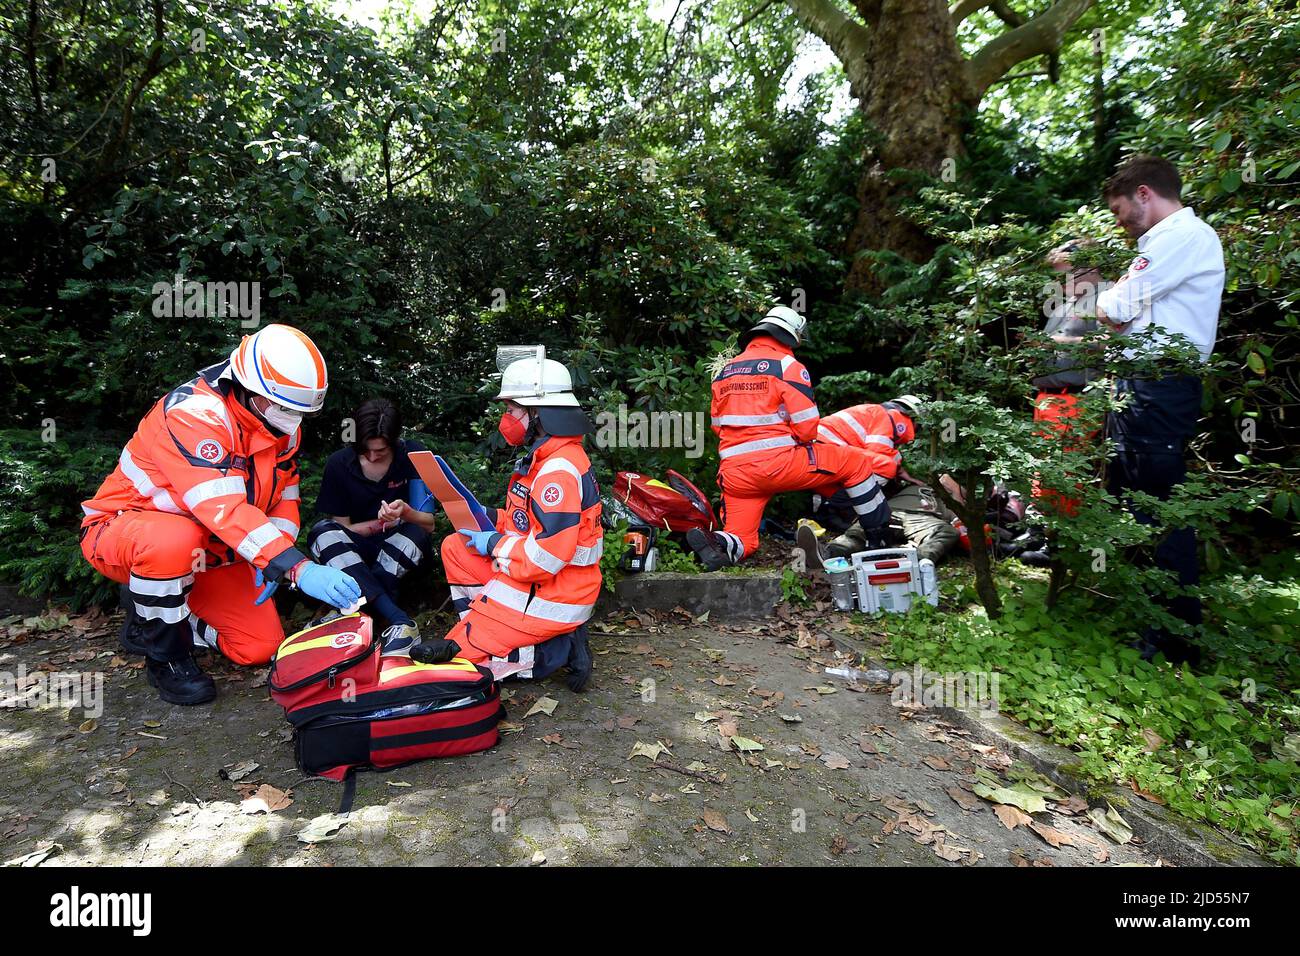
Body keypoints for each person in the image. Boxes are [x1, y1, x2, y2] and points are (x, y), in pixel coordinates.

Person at [80, 324, 362, 705]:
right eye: (286, 407)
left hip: (212, 551)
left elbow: (284, 495)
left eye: (299, 412)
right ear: (250, 390)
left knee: (259, 647)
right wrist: (298, 568)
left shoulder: (279, 424)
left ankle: (156, 614)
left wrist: (272, 561)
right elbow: (223, 508)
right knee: (172, 540)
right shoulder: (197, 415)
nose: (293, 419)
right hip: (126, 532)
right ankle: (166, 657)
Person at [1092, 155, 1224, 665]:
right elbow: (1122, 311)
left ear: (1145, 193)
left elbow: (1115, 310)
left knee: (1159, 507)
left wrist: (1117, 306)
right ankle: (1155, 621)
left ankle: (1176, 639)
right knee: (1136, 501)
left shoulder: (1180, 239)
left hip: (1160, 385)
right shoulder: (1161, 244)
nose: (1119, 220)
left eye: (1121, 209)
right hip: (1144, 384)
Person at [412, 351, 601, 691]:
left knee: (464, 663)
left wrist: (495, 544)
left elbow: (546, 557)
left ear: (538, 413)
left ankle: (554, 648)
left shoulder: (557, 471)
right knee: (456, 547)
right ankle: (491, 625)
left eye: (514, 408)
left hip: (554, 591)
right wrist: (488, 518)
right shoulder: (546, 458)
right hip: (542, 582)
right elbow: (526, 524)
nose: (507, 417)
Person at [687, 306, 891, 570]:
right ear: (790, 335)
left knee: (744, 540)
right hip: (780, 464)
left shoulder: (725, 371)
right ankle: (879, 540)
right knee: (856, 463)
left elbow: (718, 425)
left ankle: (716, 542)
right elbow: (808, 428)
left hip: (735, 474)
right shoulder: (787, 366)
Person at [307, 398, 436, 656]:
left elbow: (429, 524)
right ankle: (399, 621)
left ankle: (349, 612)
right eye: (367, 450)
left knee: (414, 533)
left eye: (382, 450)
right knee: (322, 531)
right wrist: (380, 524)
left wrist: (405, 513)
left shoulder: (413, 454)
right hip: (357, 552)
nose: (373, 456)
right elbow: (342, 529)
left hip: (401, 550)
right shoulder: (339, 464)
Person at [797, 397, 923, 567]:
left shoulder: (872, 412)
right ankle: (837, 510)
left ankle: (830, 511)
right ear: (910, 417)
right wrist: (898, 469)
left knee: (859, 478)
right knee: (887, 466)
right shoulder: (891, 417)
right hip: (826, 450)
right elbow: (879, 453)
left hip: (812, 455)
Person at [1032, 241, 1103, 518]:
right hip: (1048, 398)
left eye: (1065, 273)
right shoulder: (1064, 304)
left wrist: (1060, 342)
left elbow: (1115, 344)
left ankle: (1063, 533)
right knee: (1044, 465)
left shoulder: (1105, 298)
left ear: (1089, 268)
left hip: (1076, 397)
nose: (1059, 280)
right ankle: (1042, 526)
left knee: (1065, 468)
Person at [822, 482, 961, 565]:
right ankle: (826, 553)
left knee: (948, 532)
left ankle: (916, 562)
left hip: (922, 518)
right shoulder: (908, 485)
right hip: (889, 511)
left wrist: (955, 491)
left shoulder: (950, 501)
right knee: (861, 531)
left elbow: (959, 521)